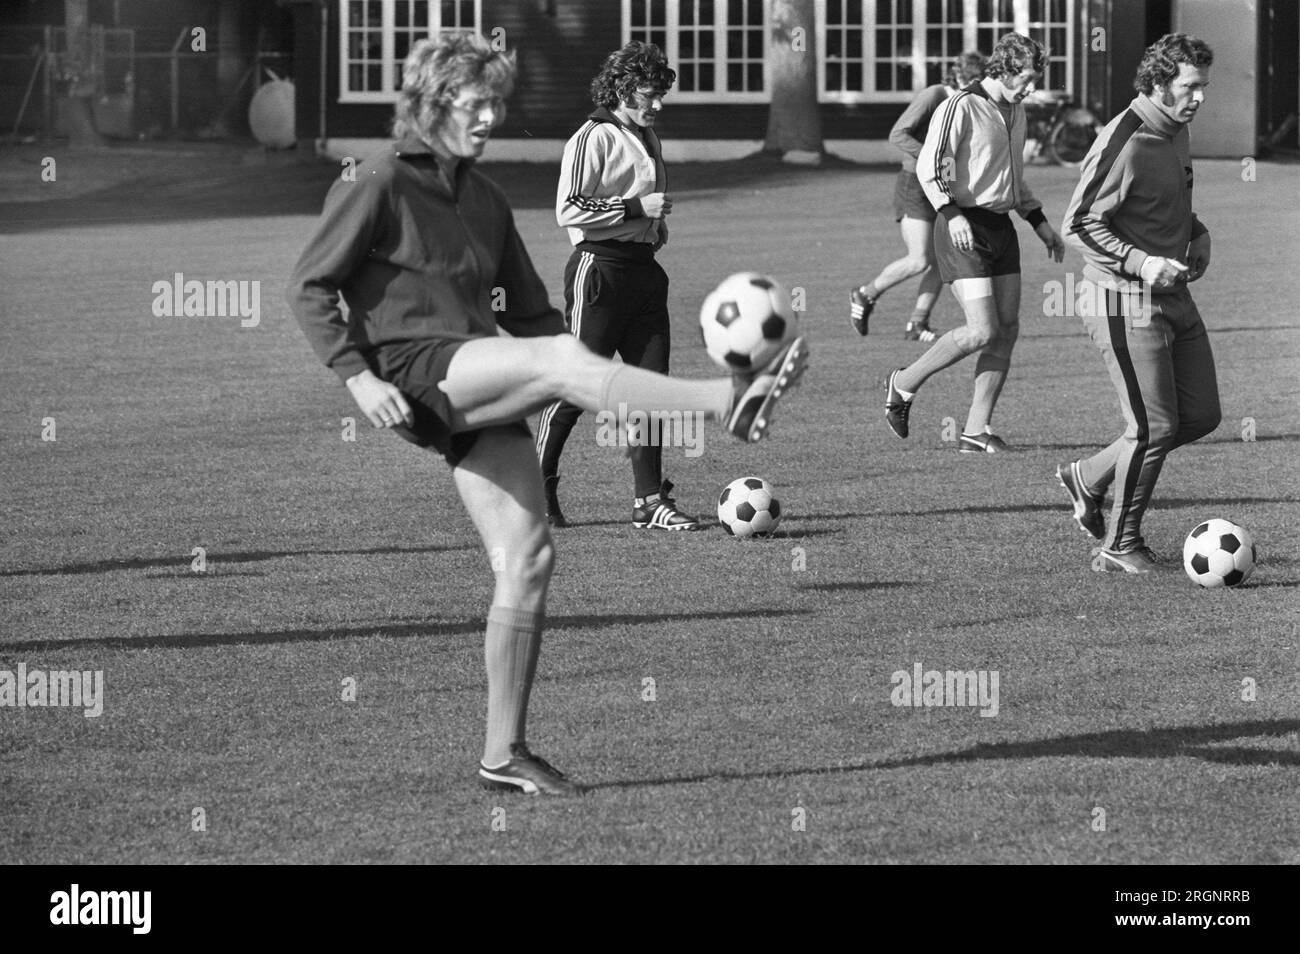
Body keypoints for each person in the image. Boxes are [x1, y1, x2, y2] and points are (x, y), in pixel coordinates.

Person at [286, 33, 808, 795]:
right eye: (476, 102)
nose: (491, 116)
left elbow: (533, 318)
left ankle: (504, 753)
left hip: (471, 384)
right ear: (432, 103)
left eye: (498, 102)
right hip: (410, 372)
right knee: (567, 367)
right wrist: (356, 379)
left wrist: (588, 370)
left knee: (529, 559)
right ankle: (727, 400)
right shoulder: (377, 181)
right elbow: (308, 286)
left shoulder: (487, 199)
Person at [1057, 34, 1218, 573]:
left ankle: (1088, 477)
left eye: (1203, 87)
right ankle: (1119, 545)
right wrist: (1142, 262)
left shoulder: (1177, 129)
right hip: (1123, 299)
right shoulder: (1125, 137)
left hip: (1176, 295)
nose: (1198, 98)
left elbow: (1167, 200)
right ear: (1156, 83)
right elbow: (1078, 222)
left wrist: (1197, 231)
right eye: (1189, 87)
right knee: (1153, 427)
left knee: (1199, 416)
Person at [537, 42, 696, 530]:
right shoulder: (592, 136)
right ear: (624, 88)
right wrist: (634, 210)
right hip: (599, 273)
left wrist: (653, 229)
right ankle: (532, 487)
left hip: (644, 273)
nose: (659, 105)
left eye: (661, 95)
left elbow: (639, 201)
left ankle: (649, 501)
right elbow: (569, 208)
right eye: (650, 94)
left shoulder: (647, 136)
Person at [885, 33, 1065, 453]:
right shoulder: (960, 105)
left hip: (1001, 228)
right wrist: (951, 213)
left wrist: (1039, 223)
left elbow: (1013, 179)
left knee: (1007, 330)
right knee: (982, 330)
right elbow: (931, 166)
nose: (1033, 87)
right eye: (1027, 77)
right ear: (1002, 69)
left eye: (1036, 78)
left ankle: (975, 430)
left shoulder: (1016, 110)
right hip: (962, 227)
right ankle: (903, 382)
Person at [850, 51, 987, 342]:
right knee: (919, 259)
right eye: (972, 82)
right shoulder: (934, 95)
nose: (976, 89)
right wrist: (931, 156)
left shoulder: (967, 103)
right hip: (915, 183)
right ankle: (865, 294)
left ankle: (917, 323)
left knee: (940, 259)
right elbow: (898, 134)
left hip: (944, 184)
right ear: (959, 76)